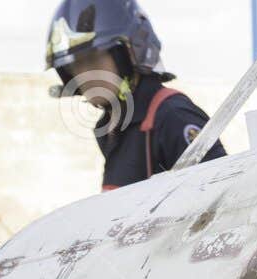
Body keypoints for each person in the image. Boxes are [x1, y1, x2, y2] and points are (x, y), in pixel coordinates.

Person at [46, 0, 226, 190]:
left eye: (93, 59)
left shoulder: (172, 116)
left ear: (128, 54)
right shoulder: (111, 128)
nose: (84, 75)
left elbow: (223, 196)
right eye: (75, 66)